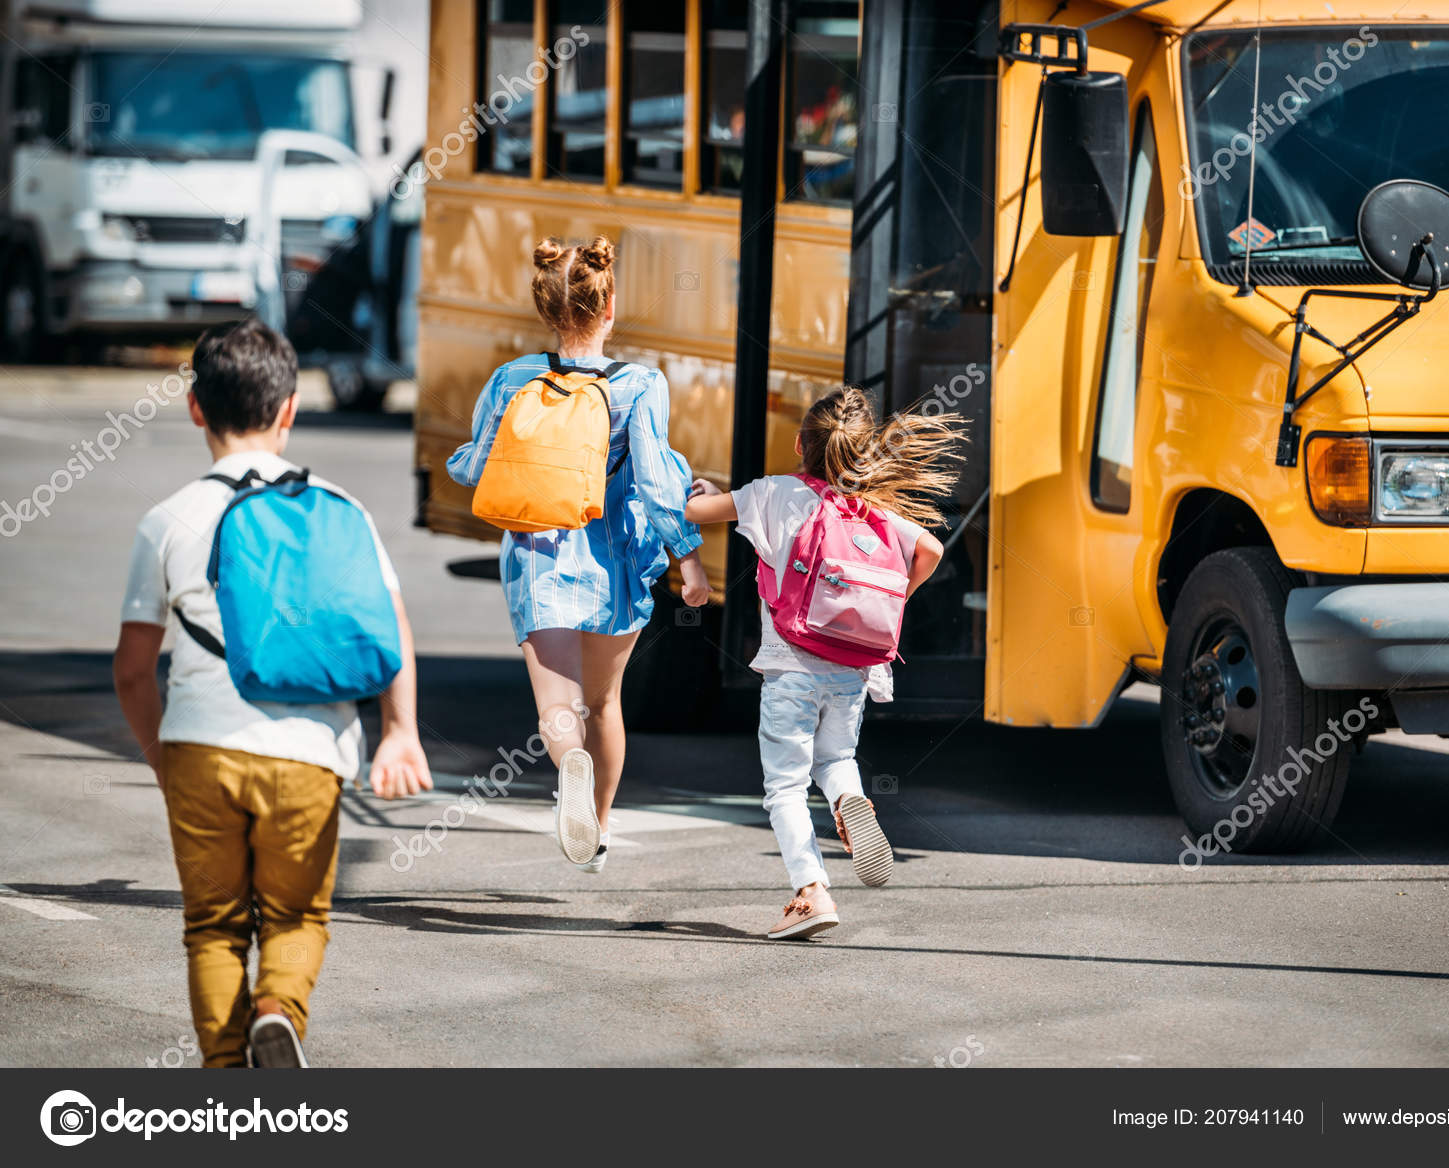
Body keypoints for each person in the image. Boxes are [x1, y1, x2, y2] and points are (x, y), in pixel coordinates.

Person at [113, 319, 432, 1068]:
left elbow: (131, 670)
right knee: (295, 914)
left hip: (200, 747)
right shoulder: (339, 508)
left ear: (196, 408)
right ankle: (277, 1010)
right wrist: (400, 730)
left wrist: (163, 756)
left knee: (215, 926)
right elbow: (390, 630)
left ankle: (226, 1077)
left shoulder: (167, 520)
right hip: (309, 754)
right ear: (289, 409)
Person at [447, 236, 708, 873]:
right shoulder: (641, 385)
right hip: (615, 561)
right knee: (607, 704)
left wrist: (464, 462)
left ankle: (569, 766)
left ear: (544, 308)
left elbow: (474, 467)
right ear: (609, 305)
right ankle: (600, 826)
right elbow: (654, 485)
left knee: (557, 709)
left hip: (539, 558)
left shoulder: (512, 379)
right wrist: (690, 560)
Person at [685, 385, 963, 939]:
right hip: (853, 668)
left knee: (784, 786)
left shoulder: (774, 493)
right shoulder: (876, 510)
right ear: (863, 455)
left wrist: (711, 491)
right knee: (837, 758)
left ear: (798, 445)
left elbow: (693, 511)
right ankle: (850, 800)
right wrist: (893, 598)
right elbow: (931, 548)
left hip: (792, 666)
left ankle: (811, 892)